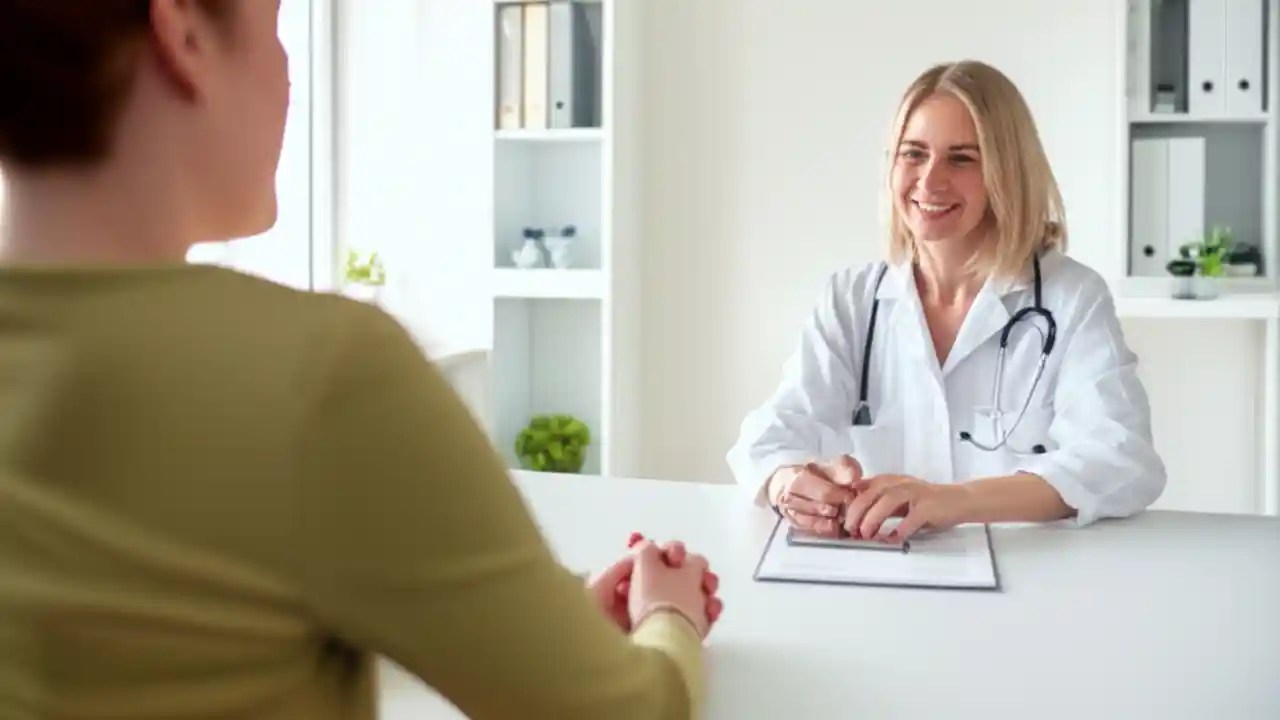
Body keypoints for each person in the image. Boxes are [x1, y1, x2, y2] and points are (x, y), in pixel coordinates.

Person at [0, 2, 720, 718]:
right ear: (183, 34)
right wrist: (672, 616)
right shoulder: (318, 375)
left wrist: (541, 620)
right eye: (276, 26)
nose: (289, 76)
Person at [727, 60, 1167, 542]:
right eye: (913, 154)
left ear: (1006, 171)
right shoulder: (853, 299)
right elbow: (768, 437)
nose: (930, 180)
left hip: (1025, 581)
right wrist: (789, 484)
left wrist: (956, 501)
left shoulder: (1071, 297)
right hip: (883, 573)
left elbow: (1122, 456)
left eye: (962, 158)